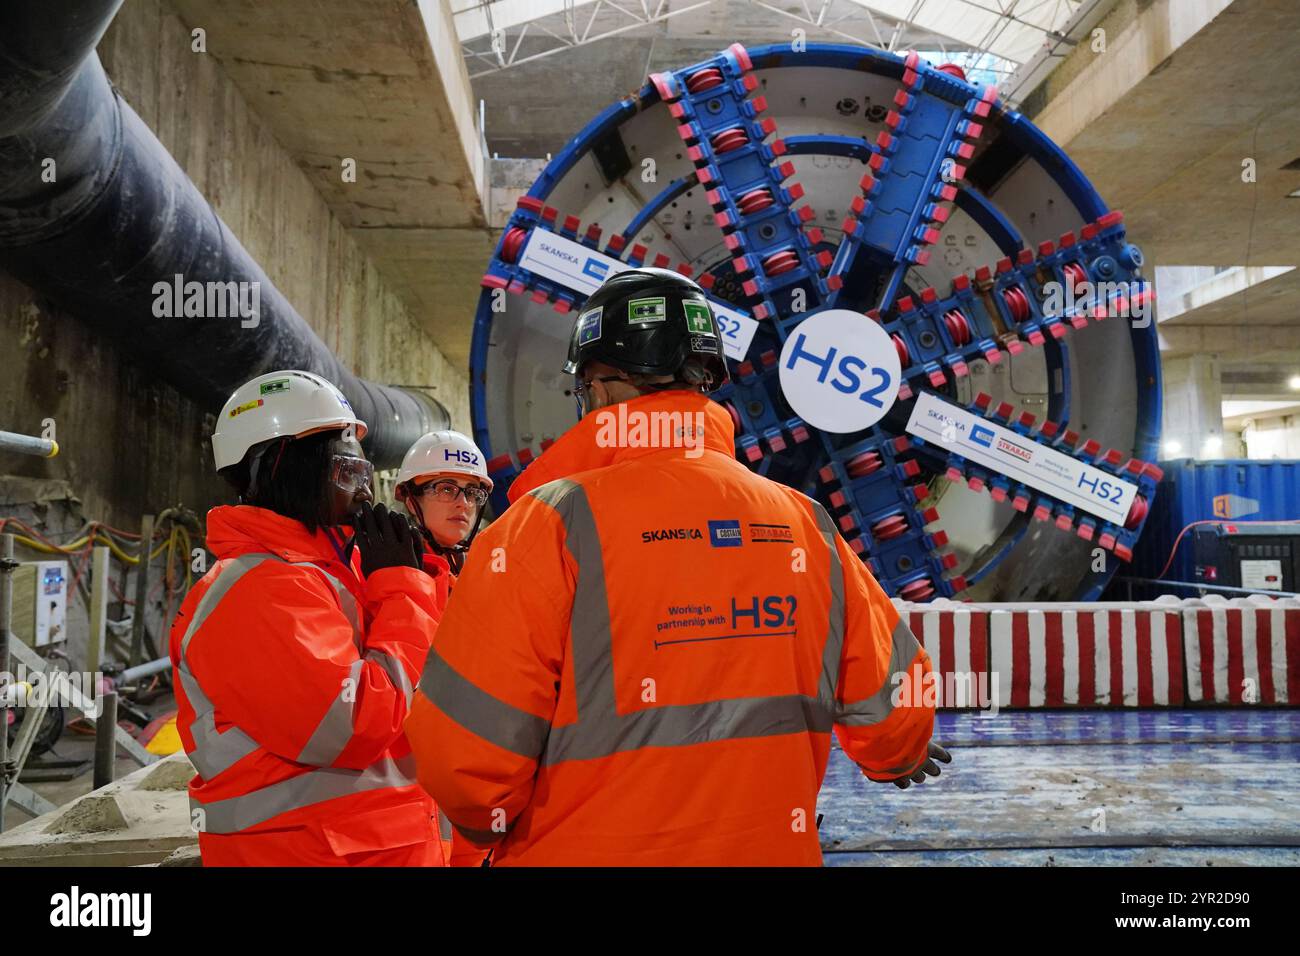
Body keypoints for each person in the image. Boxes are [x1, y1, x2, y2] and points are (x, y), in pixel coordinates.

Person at [404, 268, 948, 866]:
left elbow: (465, 767)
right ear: (704, 384)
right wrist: (897, 751)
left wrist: (484, 827)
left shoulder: (545, 527)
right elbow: (897, 705)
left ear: (603, 388)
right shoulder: (805, 524)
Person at [169, 369, 443, 866]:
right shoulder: (256, 590)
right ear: (282, 466)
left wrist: (421, 576)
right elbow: (354, 723)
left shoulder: (335, 575)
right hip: (302, 853)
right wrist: (403, 589)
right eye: (346, 474)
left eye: (365, 476)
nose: (363, 494)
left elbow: (429, 682)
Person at [394, 429, 493, 865]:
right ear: (410, 498)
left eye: (472, 493)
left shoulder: (488, 575)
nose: (463, 504)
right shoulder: (381, 577)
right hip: (409, 794)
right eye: (446, 488)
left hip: (475, 789)